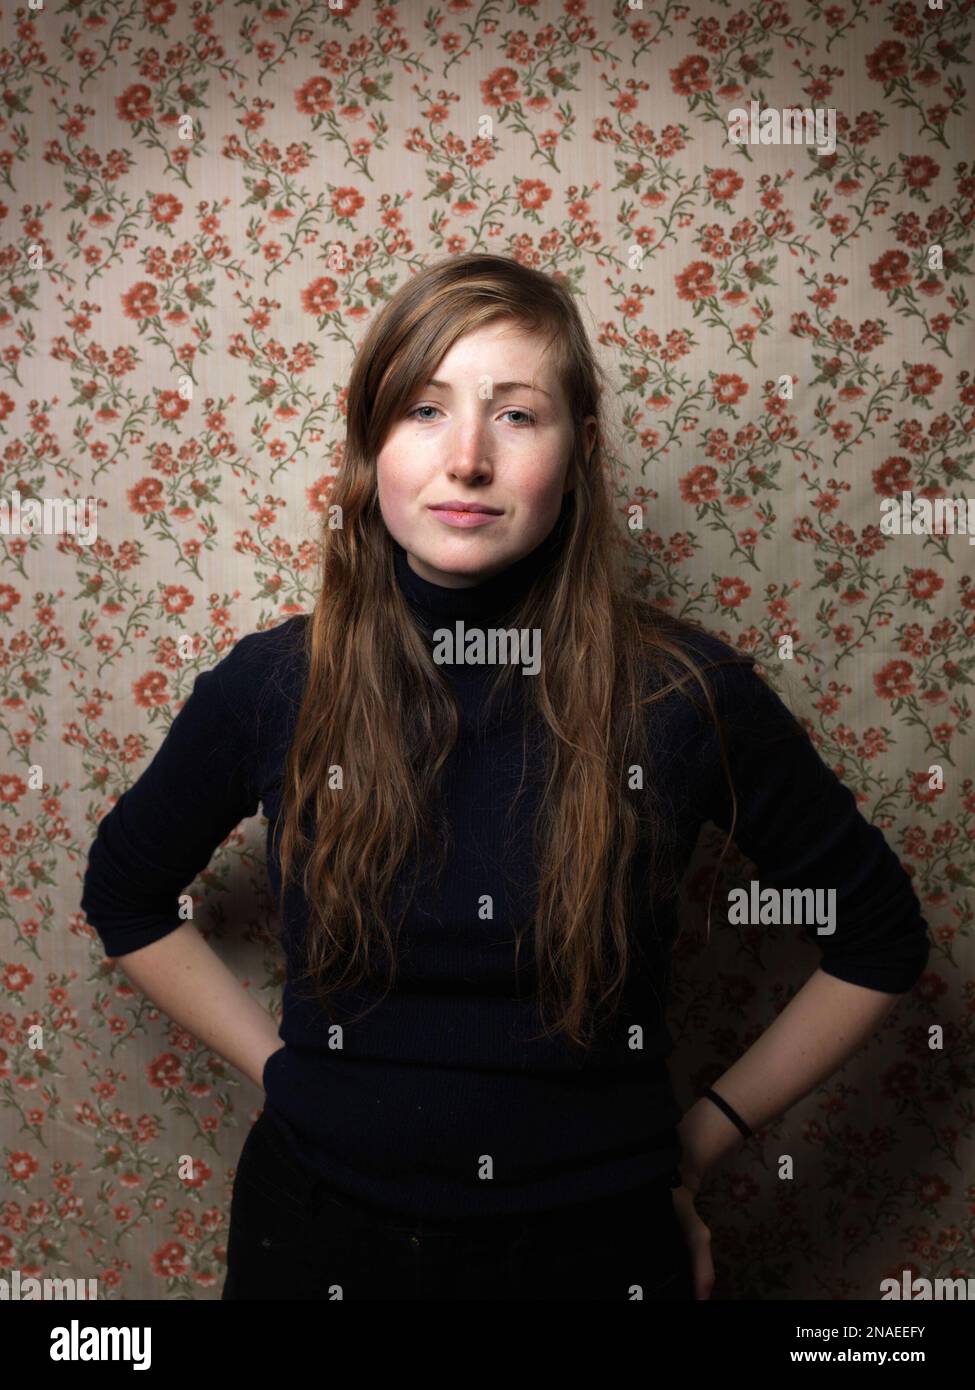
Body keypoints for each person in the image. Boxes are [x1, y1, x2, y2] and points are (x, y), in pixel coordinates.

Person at [80, 252, 930, 1302]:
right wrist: (289, 1077)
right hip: (317, 1246)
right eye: (425, 410)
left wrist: (696, 1143)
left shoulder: (687, 695)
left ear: (576, 459)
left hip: (597, 1256)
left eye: (519, 416)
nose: (468, 458)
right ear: (368, 452)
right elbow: (125, 893)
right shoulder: (272, 686)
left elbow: (880, 937)